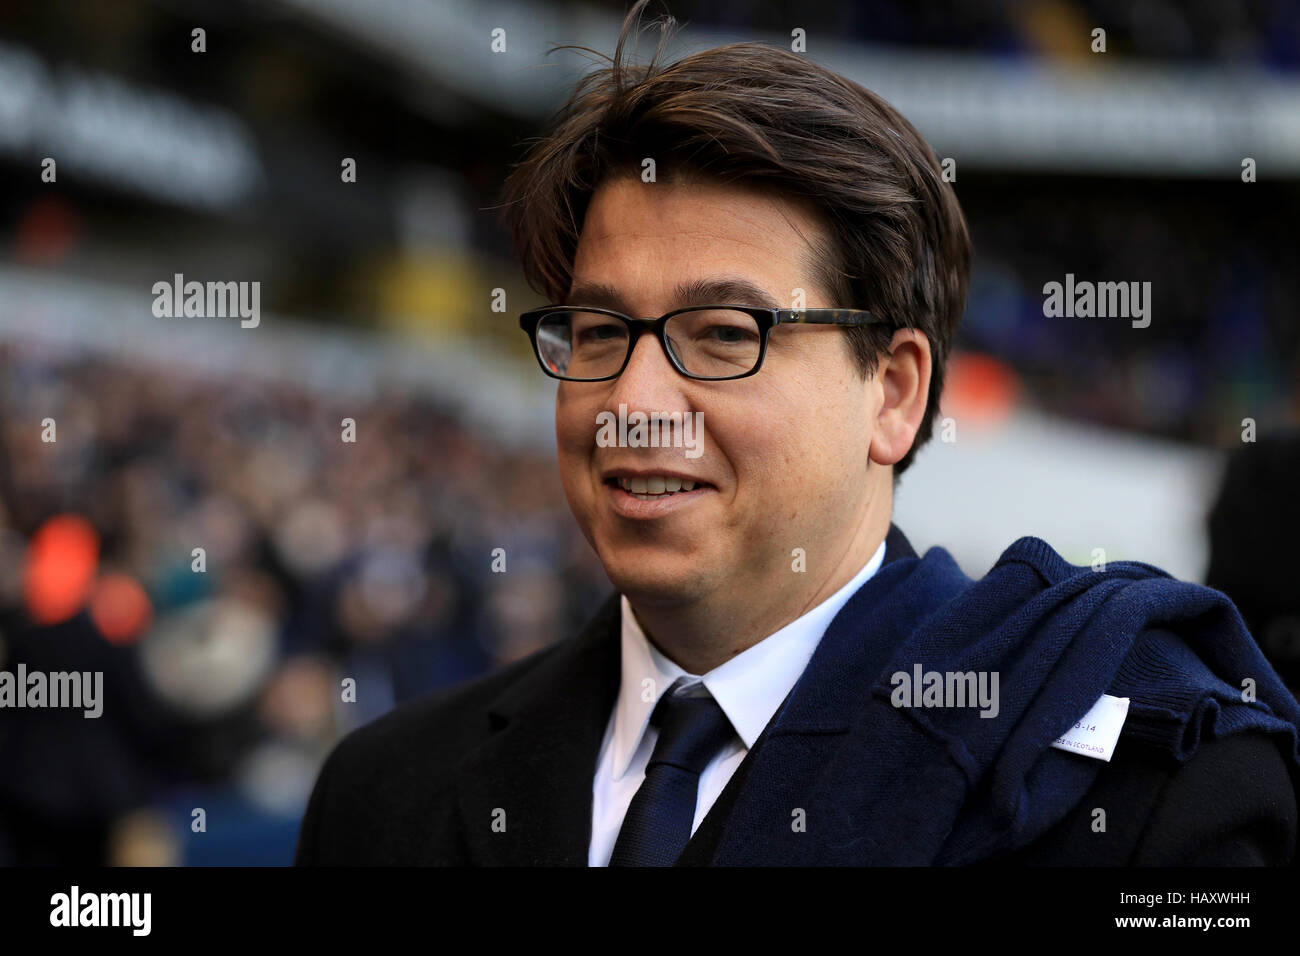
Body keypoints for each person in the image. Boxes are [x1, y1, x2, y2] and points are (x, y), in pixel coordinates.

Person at [294, 1, 1300, 866]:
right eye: (599, 329)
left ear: (894, 393)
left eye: (724, 332)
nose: (633, 398)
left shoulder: (1137, 787)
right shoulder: (381, 793)